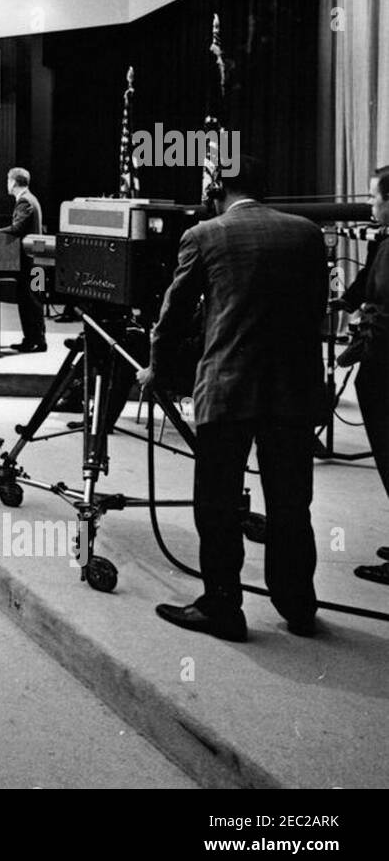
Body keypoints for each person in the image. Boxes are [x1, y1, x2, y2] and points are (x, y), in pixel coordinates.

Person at [139, 155, 326, 640]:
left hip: (228, 389)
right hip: (292, 391)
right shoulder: (307, 233)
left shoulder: (204, 235)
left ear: (217, 189)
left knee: (217, 504)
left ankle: (222, 607)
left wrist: (157, 369)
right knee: (291, 502)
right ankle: (297, 605)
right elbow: (315, 315)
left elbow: (173, 314)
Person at [333, 165, 389, 585]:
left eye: (374, 198)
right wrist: (338, 304)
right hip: (375, 360)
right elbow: (365, 285)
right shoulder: (384, 240)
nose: (370, 204)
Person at [0, 167, 46, 353]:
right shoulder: (32, 199)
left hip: (30, 261)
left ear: (13, 182)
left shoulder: (24, 200)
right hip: (36, 260)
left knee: (30, 300)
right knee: (32, 299)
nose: (6, 184)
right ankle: (33, 339)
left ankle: (35, 341)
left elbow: (17, 228)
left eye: (8, 180)